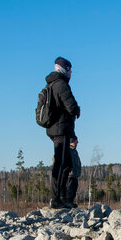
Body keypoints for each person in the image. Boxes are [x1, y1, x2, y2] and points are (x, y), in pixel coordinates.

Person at [44, 56, 80, 208]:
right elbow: (70, 105)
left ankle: (62, 198)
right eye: (70, 69)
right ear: (64, 69)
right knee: (61, 164)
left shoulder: (52, 84)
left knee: (64, 163)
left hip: (57, 128)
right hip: (61, 128)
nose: (71, 73)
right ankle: (57, 198)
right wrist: (77, 109)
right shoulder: (61, 84)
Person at [65, 137, 81, 207]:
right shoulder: (66, 150)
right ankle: (67, 204)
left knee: (73, 192)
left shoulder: (74, 151)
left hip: (75, 176)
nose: (77, 142)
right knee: (69, 192)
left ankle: (70, 204)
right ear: (72, 141)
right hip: (69, 176)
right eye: (76, 141)